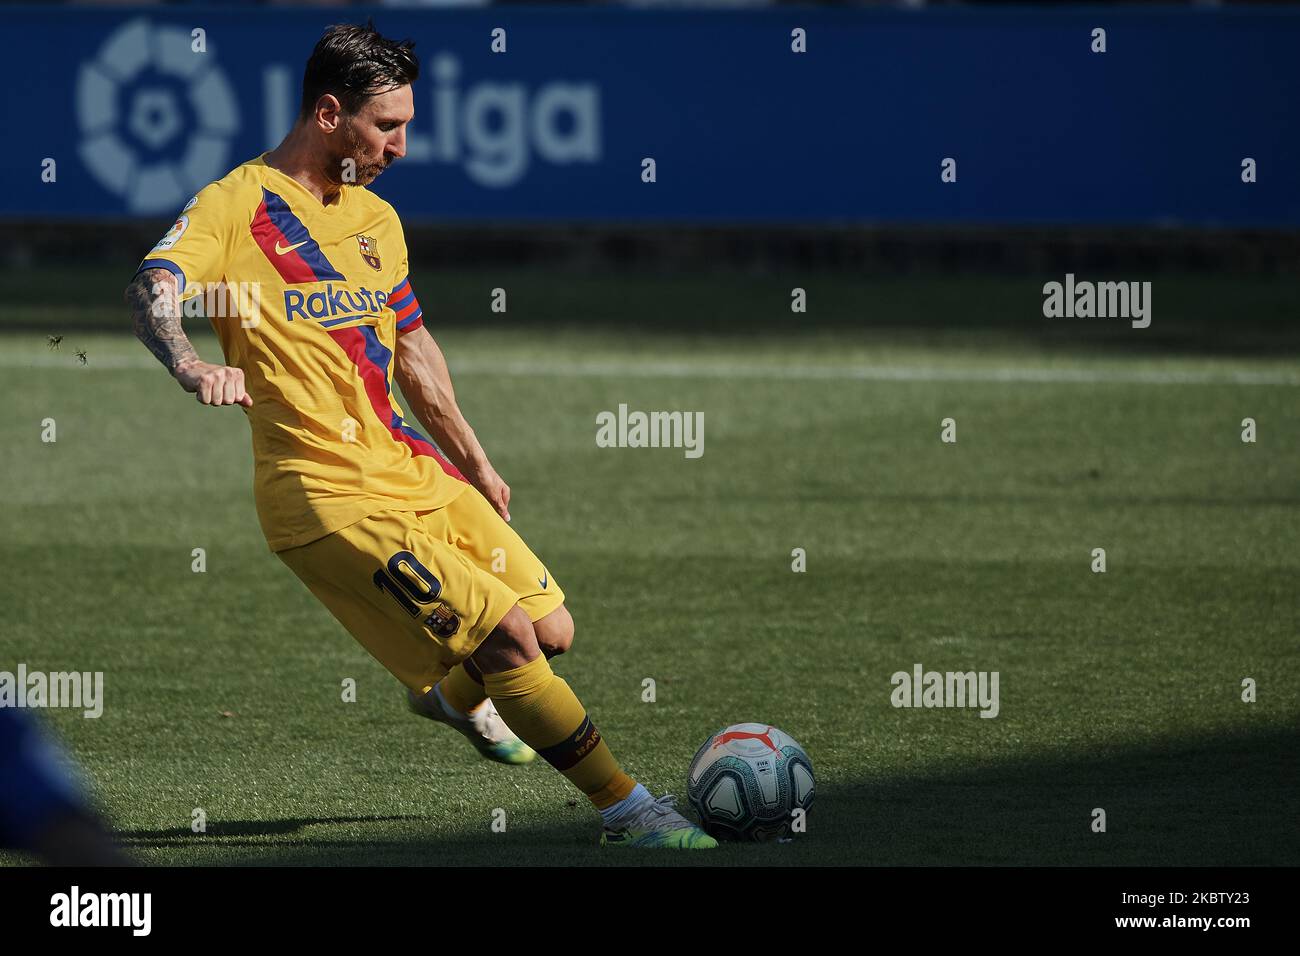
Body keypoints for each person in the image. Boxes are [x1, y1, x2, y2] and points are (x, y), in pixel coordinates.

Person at [124, 21, 714, 849]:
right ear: (329, 114)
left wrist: (474, 460)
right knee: (509, 640)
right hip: (323, 498)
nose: (403, 143)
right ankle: (629, 810)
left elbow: (412, 347)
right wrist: (193, 367)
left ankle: (449, 696)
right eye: (388, 125)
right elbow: (153, 285)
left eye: (406, 122)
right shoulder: (237, 206)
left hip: (409, 468)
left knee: (552, 632)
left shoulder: (376, 219)